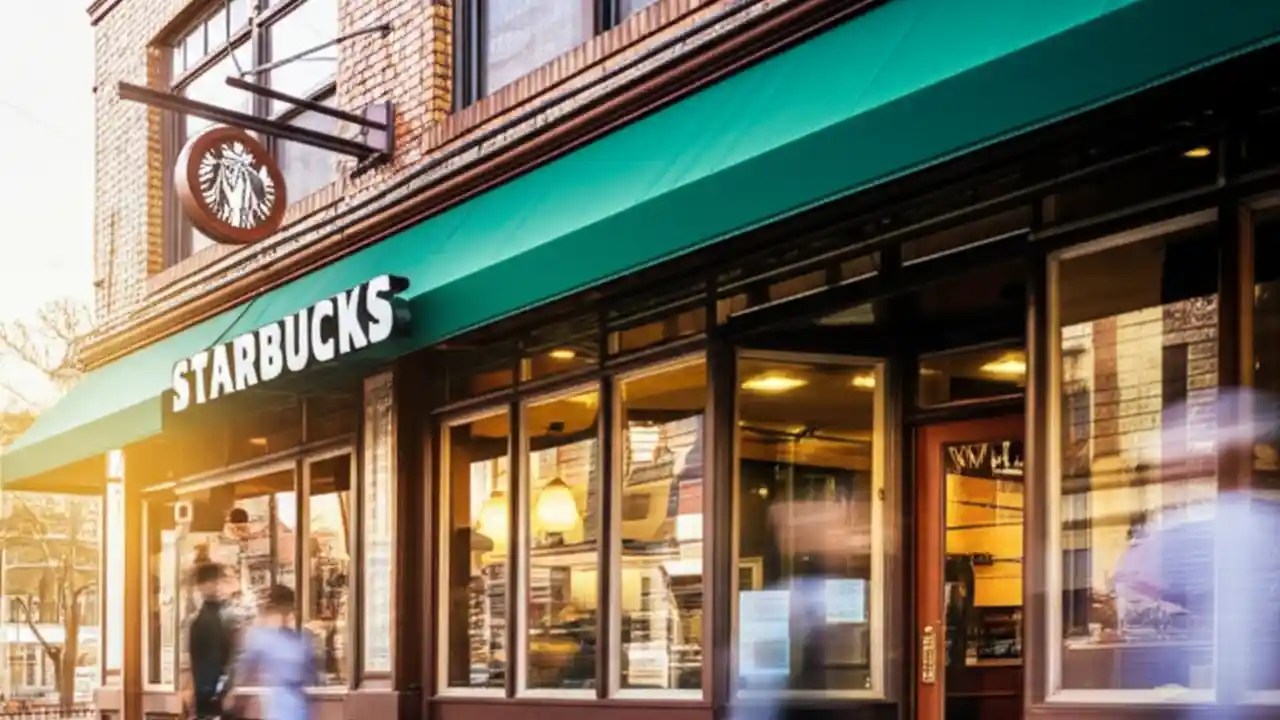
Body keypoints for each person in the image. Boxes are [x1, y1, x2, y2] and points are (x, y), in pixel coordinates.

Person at [229, 585, 317, 720]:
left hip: (283, 702)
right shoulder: (259, 635)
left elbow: (245, 670)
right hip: (273, 702)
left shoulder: (300, 636)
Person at [183, 562, 235, 720]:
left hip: (215, 690)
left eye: (221, 581)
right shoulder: (204, 619)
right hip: (211, 692)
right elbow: (205, 660)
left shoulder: (224, 614)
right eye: (212, 582)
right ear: (201, 586)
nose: (218, 586)